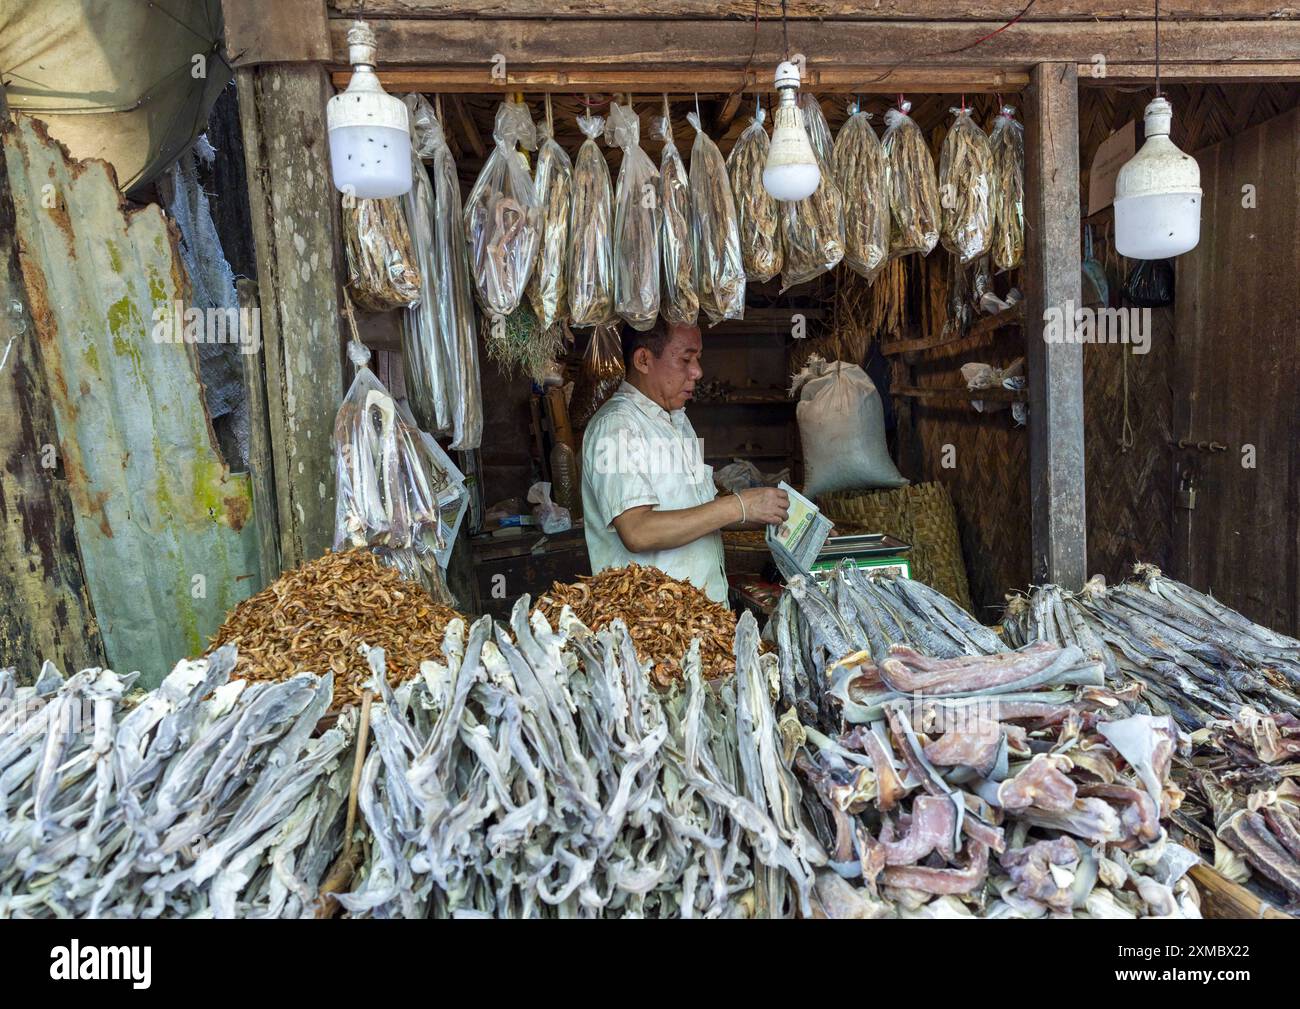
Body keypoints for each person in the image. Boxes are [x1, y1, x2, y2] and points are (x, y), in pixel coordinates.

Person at [580, 319, 789, 603]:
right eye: (686, 359)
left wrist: (777, 514)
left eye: (698, 359)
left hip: (701, 618)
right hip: (654, 628)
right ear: (643, 359)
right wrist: (738, 505)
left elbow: (703, 514)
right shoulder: (616, 428)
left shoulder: (678, 421)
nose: (697, 372)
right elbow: (637, 531)